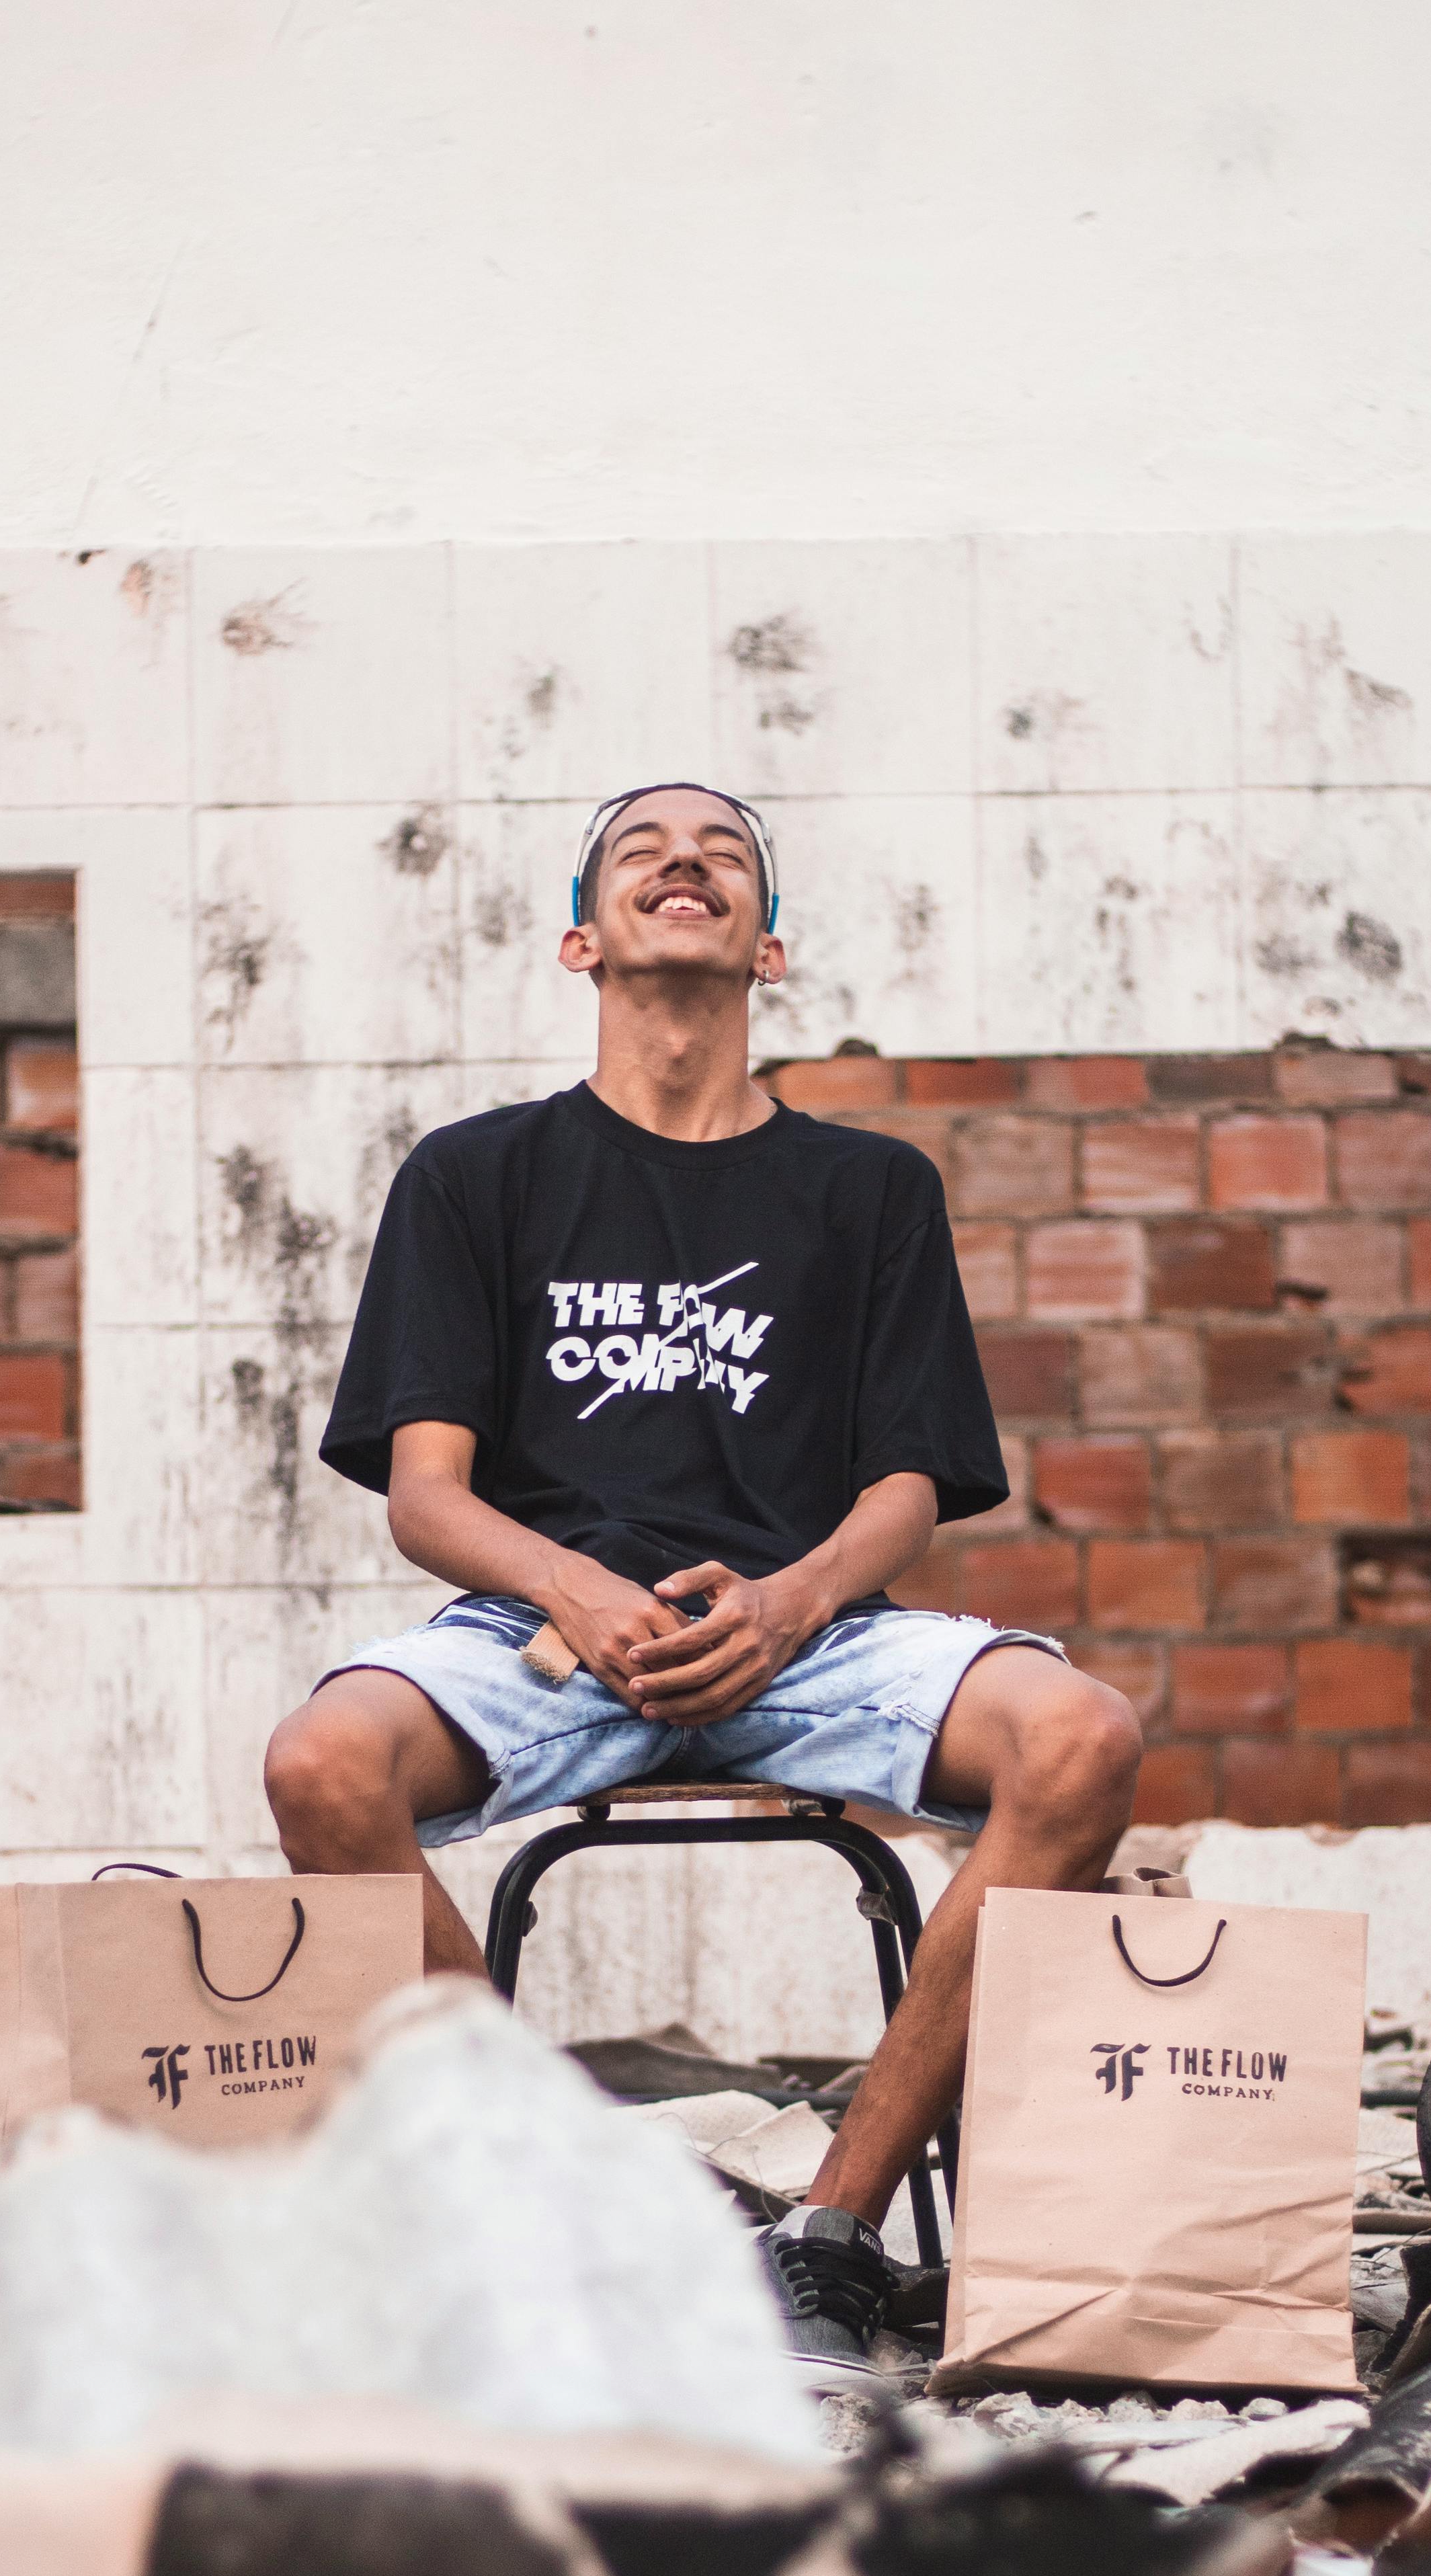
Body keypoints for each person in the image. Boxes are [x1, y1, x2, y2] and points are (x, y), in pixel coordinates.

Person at [265, 782, 1141, 2384]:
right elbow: (427, 1496)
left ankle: (833, 2237)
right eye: (645, 852)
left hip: (810, 1634)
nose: (688, 863)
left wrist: (796, 1603)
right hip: (543, 1637)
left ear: (770, 949)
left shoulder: (872, 1192)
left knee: (1081, 1737)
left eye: (725, 853)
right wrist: (579, 1598)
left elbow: (906, 1488)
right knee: (321, 1764)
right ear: (580, 939)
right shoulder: (474, 1178)